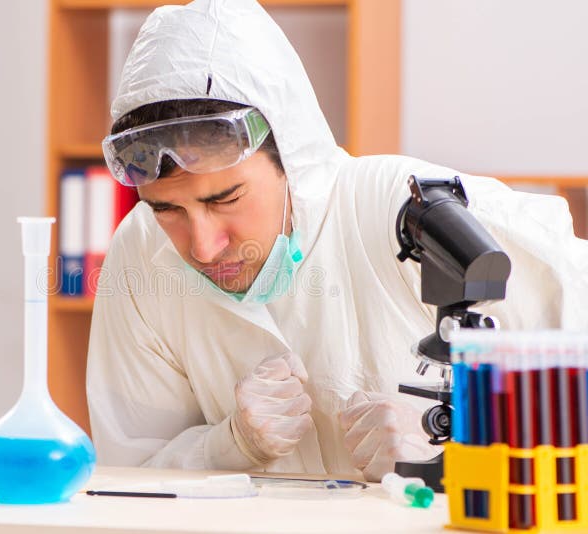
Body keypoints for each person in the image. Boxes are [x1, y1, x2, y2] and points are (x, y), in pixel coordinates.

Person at [86, 0, 588, 481]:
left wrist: (455, 447)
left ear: (292, 159)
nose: (203, 246)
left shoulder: (412, 211)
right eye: (167, 208)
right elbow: (130, 479)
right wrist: (226, 447)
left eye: (225, 199)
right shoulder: (142, 256)